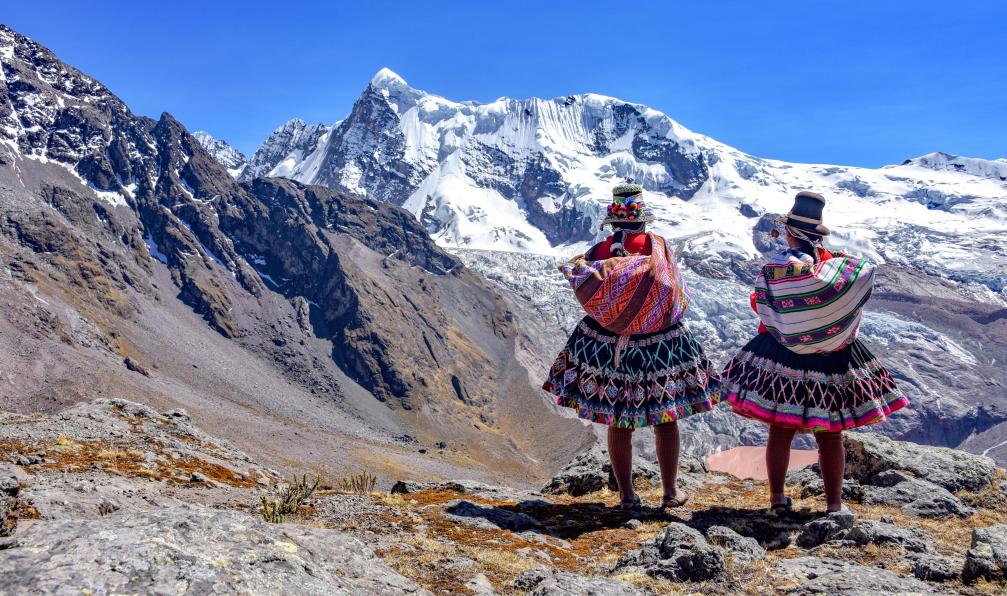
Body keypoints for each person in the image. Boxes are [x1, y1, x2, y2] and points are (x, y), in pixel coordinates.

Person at [721, 191, 909, 514]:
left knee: (781, 428)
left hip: (782, 359)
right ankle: (834, 505)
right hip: (830, 361)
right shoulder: (833, 269)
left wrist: (790, 318)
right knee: (830, 434)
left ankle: (777, 500)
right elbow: (855, 294)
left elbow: (760, 302)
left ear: (790, 233)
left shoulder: (778, 268)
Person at [543, 183, 721, 511]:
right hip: (660, 344)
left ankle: (626, 495)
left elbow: (586, 289)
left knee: (618, 419)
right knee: (665, 418)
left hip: (608, 344)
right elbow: (675, 293)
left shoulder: (598, 253)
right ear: (642, 220)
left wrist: (618, 311)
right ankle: (670, 492)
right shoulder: (658, 247)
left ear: (613, 221)